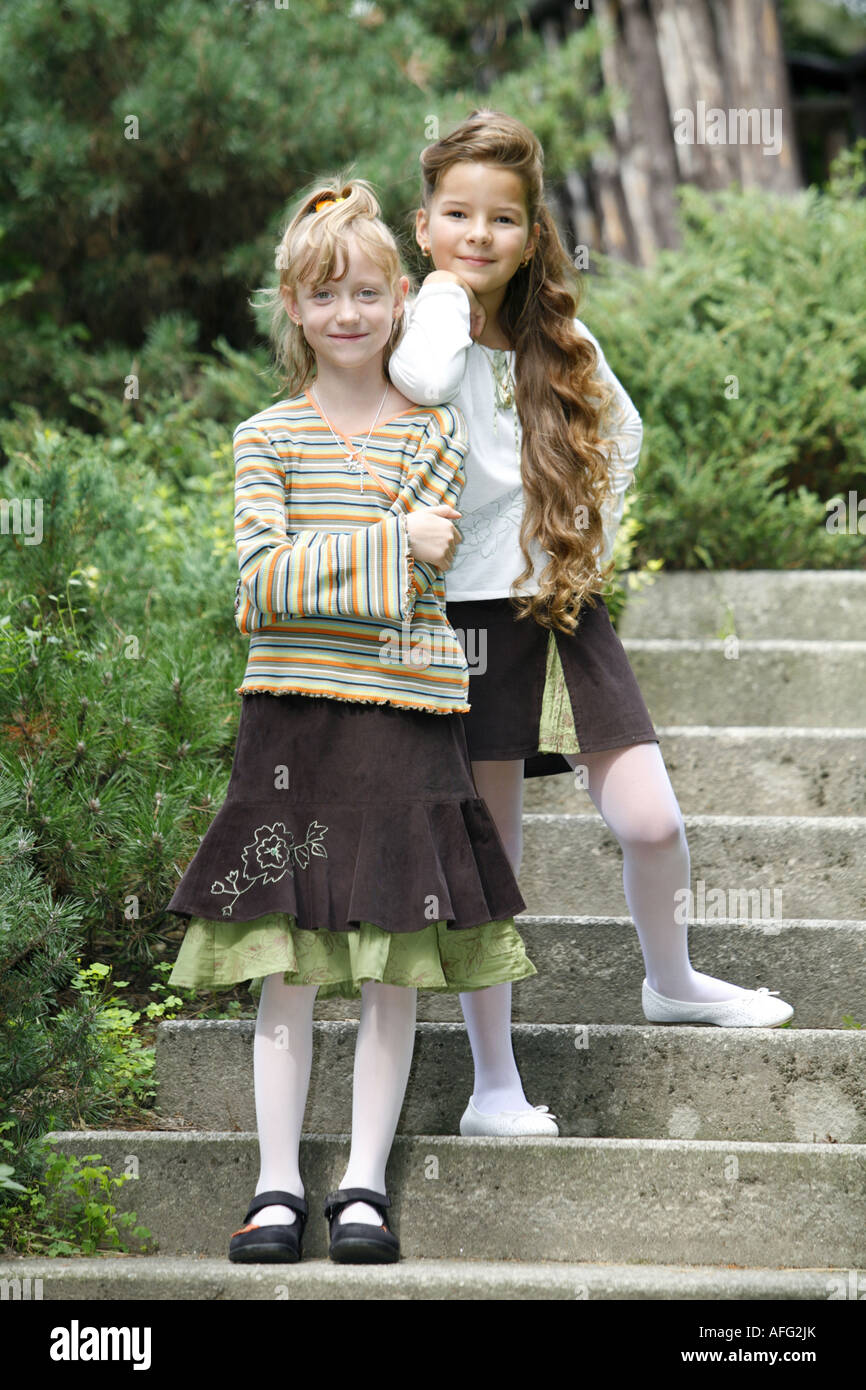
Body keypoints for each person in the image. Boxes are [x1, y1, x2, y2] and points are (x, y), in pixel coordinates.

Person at [387, 108, 793, 1140]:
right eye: (457, 216)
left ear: (531, 233)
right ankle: (492, 1084)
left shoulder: (557, 337)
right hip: (466, 622)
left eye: (503, 219)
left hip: (560, 601)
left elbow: (625, 427)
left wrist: (583, 536)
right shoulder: (418, 326)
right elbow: (423, 382)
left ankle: (672, 977)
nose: (480, 235)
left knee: (650, 819)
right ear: (424, 224)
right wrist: (441, 291)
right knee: (497, 854)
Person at [164, 175, 539, 1264]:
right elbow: (260, 585)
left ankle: (363, 1183)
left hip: (410, 718)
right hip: (289, 720)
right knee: (285, 957)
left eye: (367, 292)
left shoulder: (431, 433)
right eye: (323, 293)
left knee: (391, 956)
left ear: (401, 298)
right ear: (292, 303)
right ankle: (276, 1183)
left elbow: (391, 565)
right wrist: (388, 545)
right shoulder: (263, 436)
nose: (345, 313)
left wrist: (357, 560)